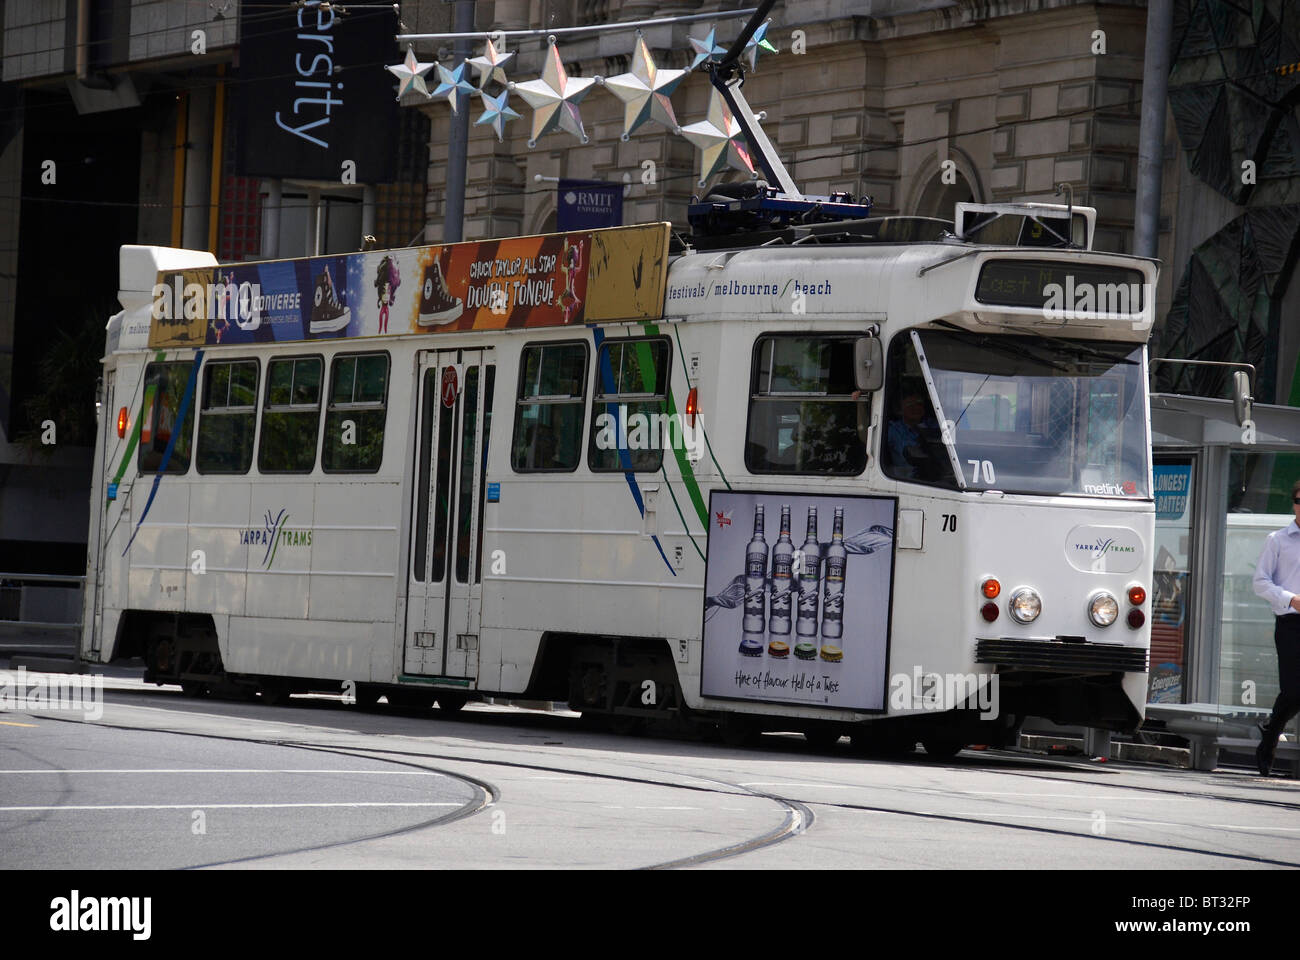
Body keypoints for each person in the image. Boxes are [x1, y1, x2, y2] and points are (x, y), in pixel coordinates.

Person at [1252, 477, 1300, 776]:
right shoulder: (1277, 540)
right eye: (1298, 500)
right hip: (1290, 623)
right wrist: (1291, 599)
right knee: (1294, 690)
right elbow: (1260, 582)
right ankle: (1269, 738)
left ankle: (1270, 726)